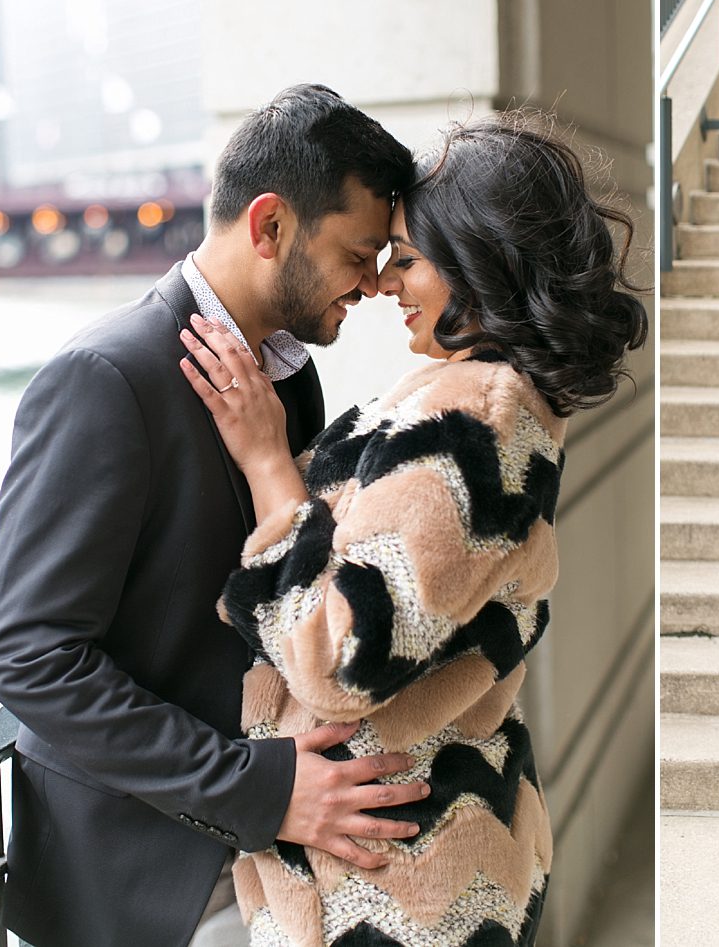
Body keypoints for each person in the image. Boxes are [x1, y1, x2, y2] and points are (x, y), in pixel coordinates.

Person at [0, 84, 433, 947]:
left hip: (271, 861)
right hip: (143, 882)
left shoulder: (291, 373)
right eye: (359, 252)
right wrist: (253, 786)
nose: (375, 284)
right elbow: (23, 651)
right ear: (270, 227)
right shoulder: (105, 379)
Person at [176, 110, 647, 946]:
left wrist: (266, 462)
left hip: (399, 893)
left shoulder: (471, 417)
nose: (386, 282)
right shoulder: (485, 400)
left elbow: (341, 656)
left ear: (478, 267)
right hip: (417, 859)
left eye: (407, 257)